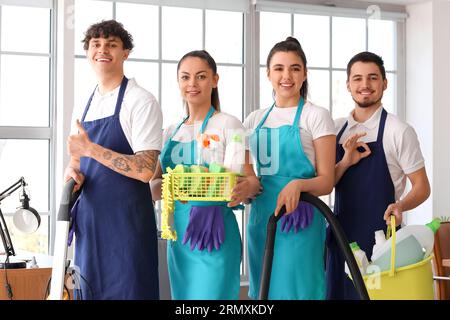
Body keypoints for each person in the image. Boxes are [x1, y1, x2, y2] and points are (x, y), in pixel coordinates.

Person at [64, 20, 162, 299]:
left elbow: (146, 170)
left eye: (111, 44)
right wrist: (71, 175)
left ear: (125, 52)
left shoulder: (140, 101)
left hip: (126, 227)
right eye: (96, 44)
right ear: (88, 52)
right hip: (90, 225)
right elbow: (75, 159)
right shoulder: (84, 101)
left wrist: (92, 149)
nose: (102, 49)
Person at [151, 50, 260, 300]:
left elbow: (251, 180)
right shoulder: (169, 132)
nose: (192, 84)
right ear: (178, 82)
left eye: (201, 76)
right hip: (179, 238)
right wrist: (170, 186)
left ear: (214, 80)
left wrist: (245, 188)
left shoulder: (228, 124)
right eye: (185, 77)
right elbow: (154, 184)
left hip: (216, 234)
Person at [326, 51, 431, 300]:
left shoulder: (398, 131)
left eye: (372, 78)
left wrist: (401, 204)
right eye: (358, 78)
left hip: (382, 242)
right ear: (348, 85)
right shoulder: (336, 128)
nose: (365, 85)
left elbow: (422, 187)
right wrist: (345, 161)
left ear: (384, 83)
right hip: (341, 237)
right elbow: (326, 183)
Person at [244, 37, 336, 299]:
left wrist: (299, 184)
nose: (287, 76)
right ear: (268, 73)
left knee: (299, 291)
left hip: (301, 219)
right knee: (263, 292)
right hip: (261, 219)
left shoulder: (315, 115)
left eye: (295, 68)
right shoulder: (253, 119)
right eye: (279, 68)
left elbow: (327, 181)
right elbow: (248, 174)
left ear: (305, 73)